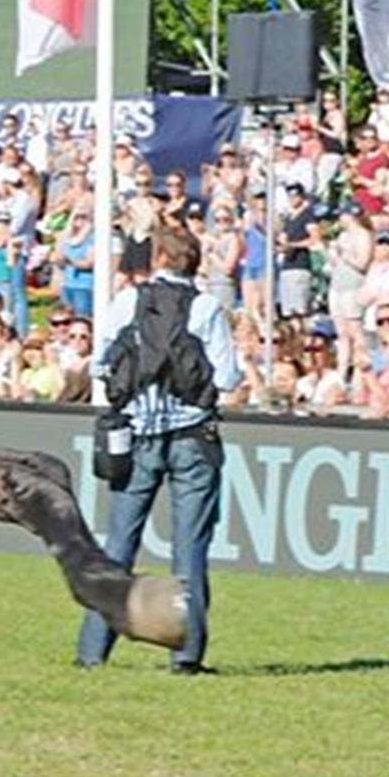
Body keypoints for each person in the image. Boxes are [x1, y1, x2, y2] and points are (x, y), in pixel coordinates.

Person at [77, 225, 241, 675]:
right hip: (193, 438)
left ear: (159, 259)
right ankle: (185, 657)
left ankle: (92, 651)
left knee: (118, 546)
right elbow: (227, 377)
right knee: (190, 550)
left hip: (137, 436)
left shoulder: (130, 301)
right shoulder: (206, 307)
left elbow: (99, 364)